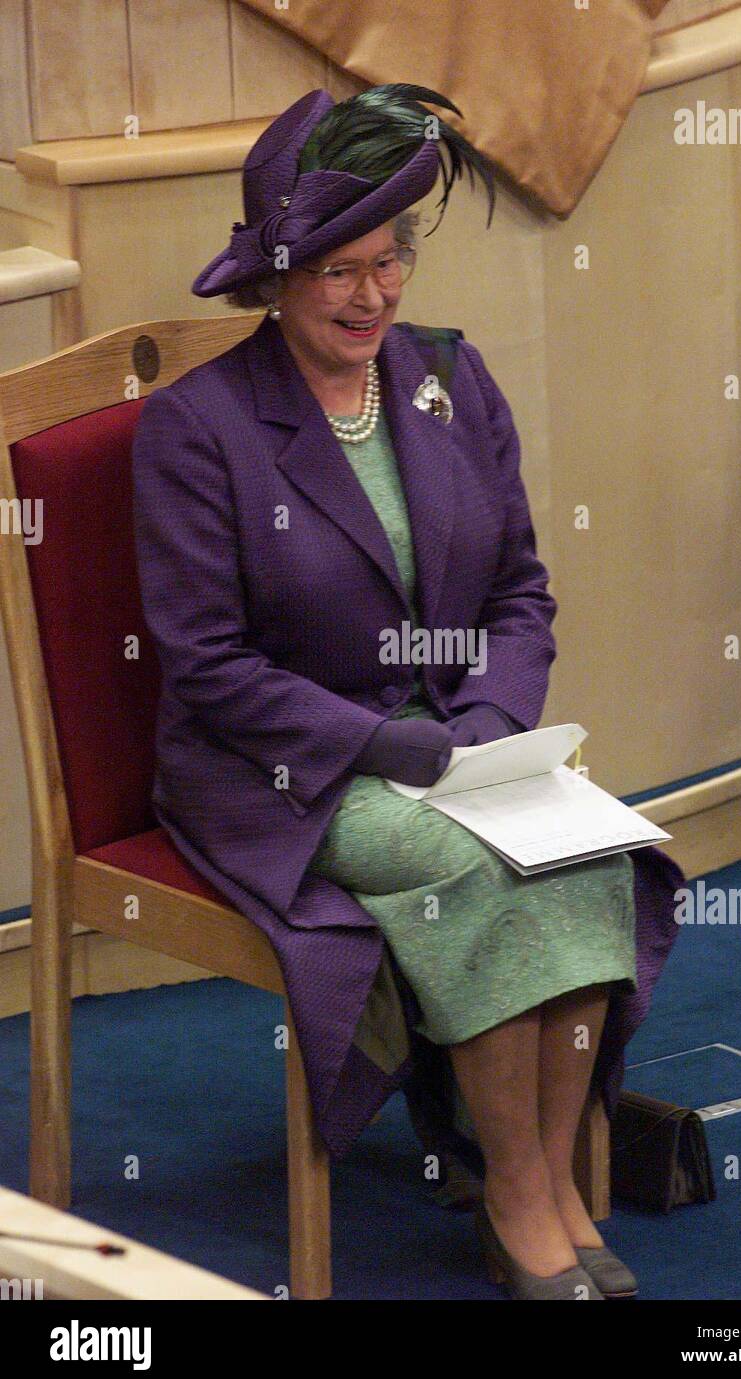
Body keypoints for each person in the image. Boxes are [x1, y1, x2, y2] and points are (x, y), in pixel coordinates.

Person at [133, 84, 672, 1300]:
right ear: (273, 277)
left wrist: (484, 727)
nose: (371, 296)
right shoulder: (197, 430)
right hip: (282, 771)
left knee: (586, 852)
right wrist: (391, 745)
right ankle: (525, 1201)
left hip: (457, 742)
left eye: (389, 262)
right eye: (335, 270)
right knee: (473, 865)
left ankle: (533, 1171)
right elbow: (208, 665)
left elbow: (520, 594)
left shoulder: (448, 381)